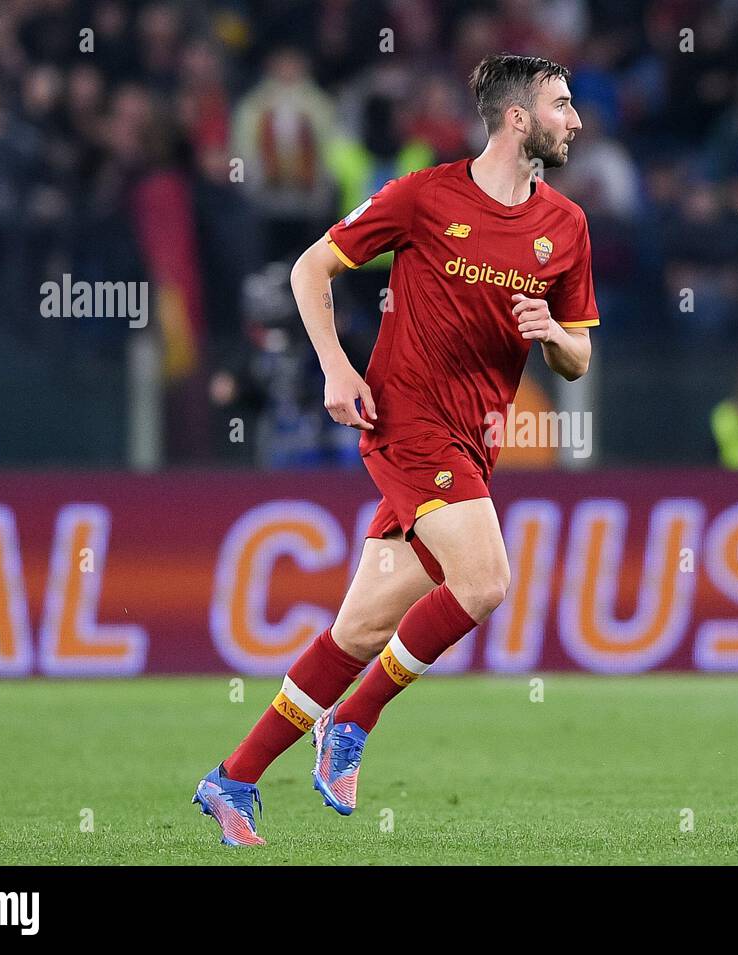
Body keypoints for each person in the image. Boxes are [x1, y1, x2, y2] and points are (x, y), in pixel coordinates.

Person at [193, 54, 597, 846]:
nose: (574, 119)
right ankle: (353, 722)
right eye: (561, 103)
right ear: (518, 119)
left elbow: (578, 355)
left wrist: (552, 334)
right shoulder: (425, 196)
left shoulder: (567, 227)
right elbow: (312, 268)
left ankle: (232, 777)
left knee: (360, 633)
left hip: (476, 443)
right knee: (485, 581)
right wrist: (336, 368)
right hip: (407, 421)